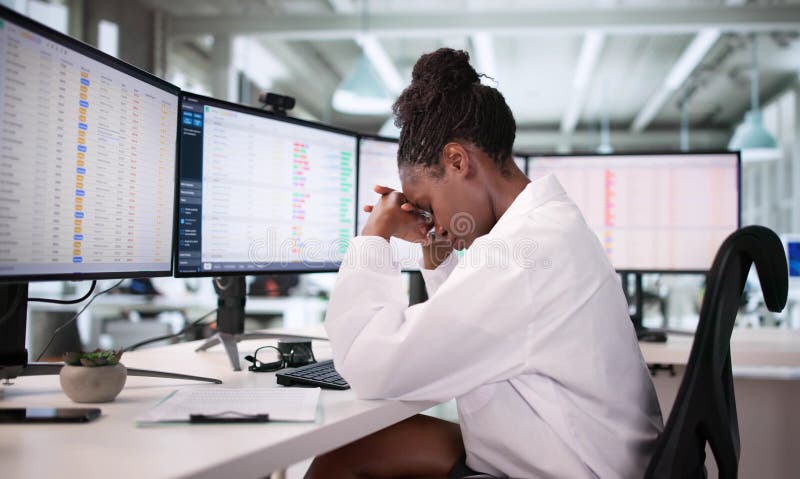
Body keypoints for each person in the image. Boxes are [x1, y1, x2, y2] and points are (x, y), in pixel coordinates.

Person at [306, 48, 663, 478]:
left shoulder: (520, 255)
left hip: (575, 467)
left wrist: (374, 235)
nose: (431, 220)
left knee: (343, 455)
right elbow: (481, 335)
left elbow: (369, 367)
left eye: (426, 204)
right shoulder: (546, 228)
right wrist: (438, 261)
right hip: (578, 452)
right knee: (366, 446)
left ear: (457, 161)